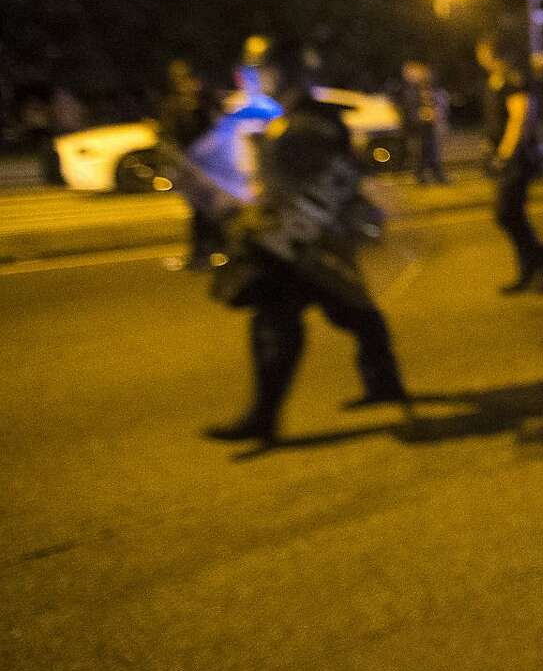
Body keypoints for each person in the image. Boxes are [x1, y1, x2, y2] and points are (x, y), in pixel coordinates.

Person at [195, 58, 408, 443]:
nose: (258, 81)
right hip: (306, 237)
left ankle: (263, 418)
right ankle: (382, 383)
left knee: (287, 320)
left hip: (305, 239)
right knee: (345, 311)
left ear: (282, 75)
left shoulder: (309, 123)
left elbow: (324, 182)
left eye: (264, 72)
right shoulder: (299, 118)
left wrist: (277, 215)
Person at [477, 34, 543, 293]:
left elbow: (521, 118)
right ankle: (529, 269)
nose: (483, 59)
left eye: (486, 54)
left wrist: (505, 153)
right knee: (513, 215)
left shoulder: (516, 80)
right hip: (504, 157)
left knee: (506, 213)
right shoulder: (496, 81)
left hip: (517, 159)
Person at [157, 59, 219, 268]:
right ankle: (203, 254)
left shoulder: (206, 104)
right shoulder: (173, 106)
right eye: (180, 79)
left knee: (207, 212)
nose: (187, 84)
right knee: (200, 211)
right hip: (188, 168)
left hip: (209, 167)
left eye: (189, 78)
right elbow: (167, 137)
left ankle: (206, 254)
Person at [398, 60, 449, 185]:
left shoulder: (425, 87)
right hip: (416, 127)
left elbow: (433, 103)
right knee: (419, 153)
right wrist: (420, 115)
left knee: (431, 151)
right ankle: (421, 177)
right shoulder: (407, 90)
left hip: (428, 126)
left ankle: (436, 175)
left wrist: (432, 113)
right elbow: (407, 109)